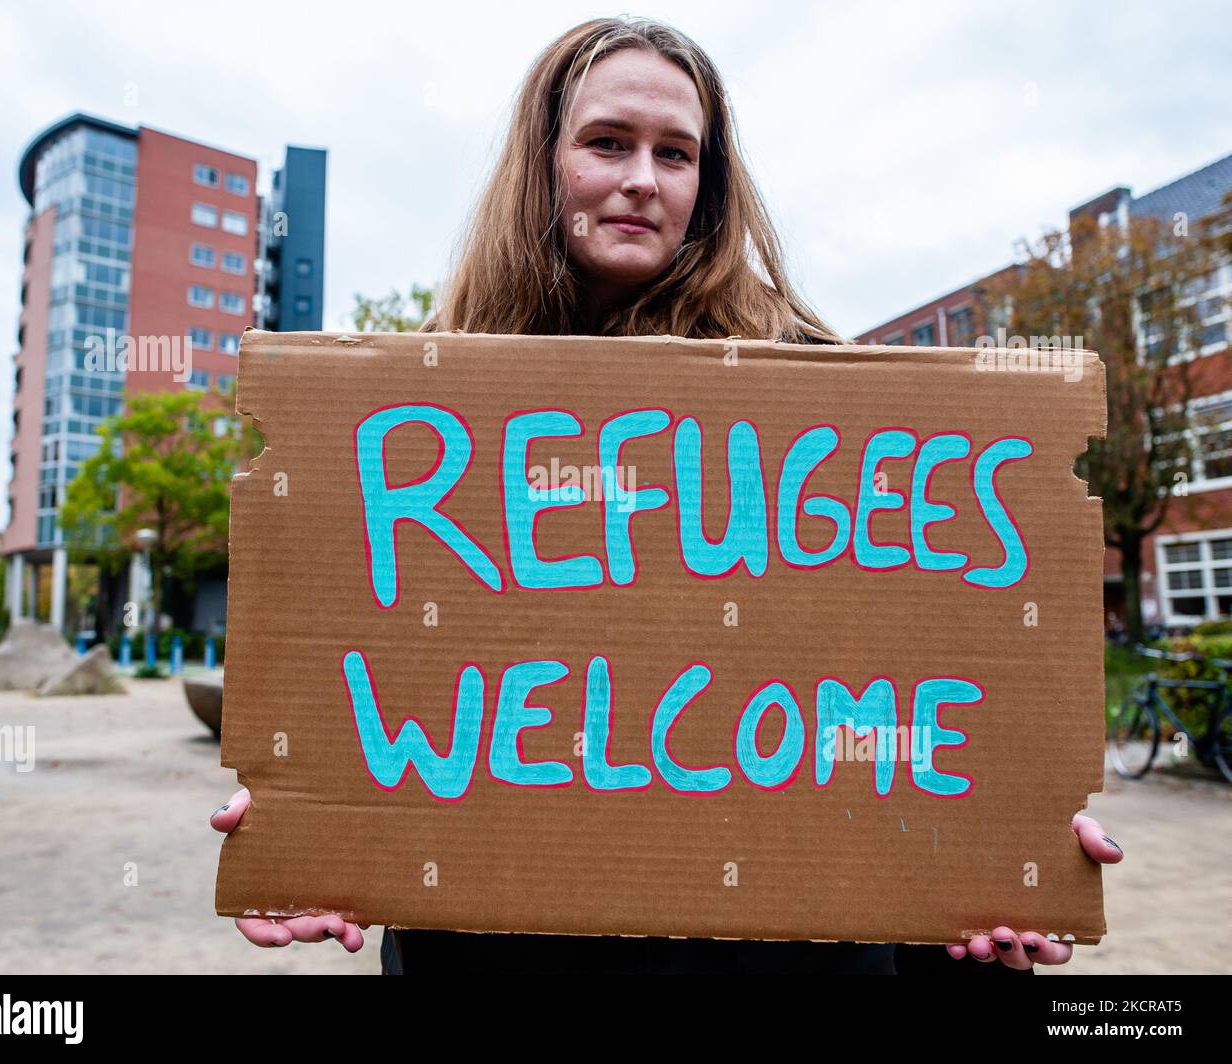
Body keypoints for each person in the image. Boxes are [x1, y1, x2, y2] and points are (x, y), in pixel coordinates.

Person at [210, 15, 1124, 974]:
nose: (642, 177)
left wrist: (1000, 847)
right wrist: (299, 813)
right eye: (607, 143)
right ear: (543, 164)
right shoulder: (418, 413)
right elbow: (357, 661)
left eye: (676, 153)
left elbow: (919, 672)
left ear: (707, 186)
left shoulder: (820, 395)